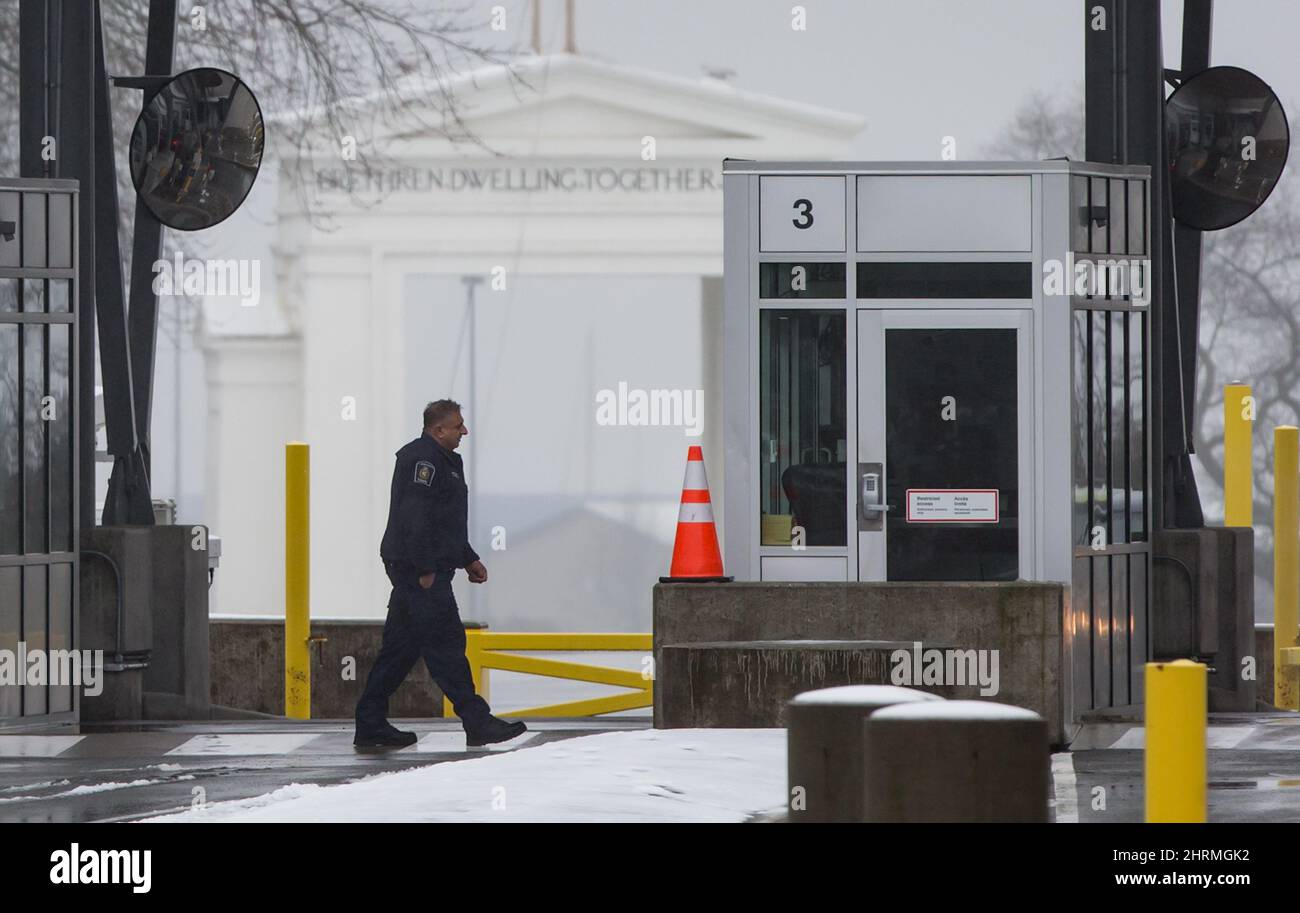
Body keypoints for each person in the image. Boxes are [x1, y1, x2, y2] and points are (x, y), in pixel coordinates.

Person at [354, 399, 527, 749]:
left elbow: (444, 522)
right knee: (447, 647)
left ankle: (370, 723)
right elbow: (415, 518)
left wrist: (467, 558)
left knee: (400, 651)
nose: (465, 431)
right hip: (420, 573)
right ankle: (477, 722)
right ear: (438, 430)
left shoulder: (445, 461)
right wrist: (425, 569)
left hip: (423, 569)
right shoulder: (424, 461)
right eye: (458, 425)